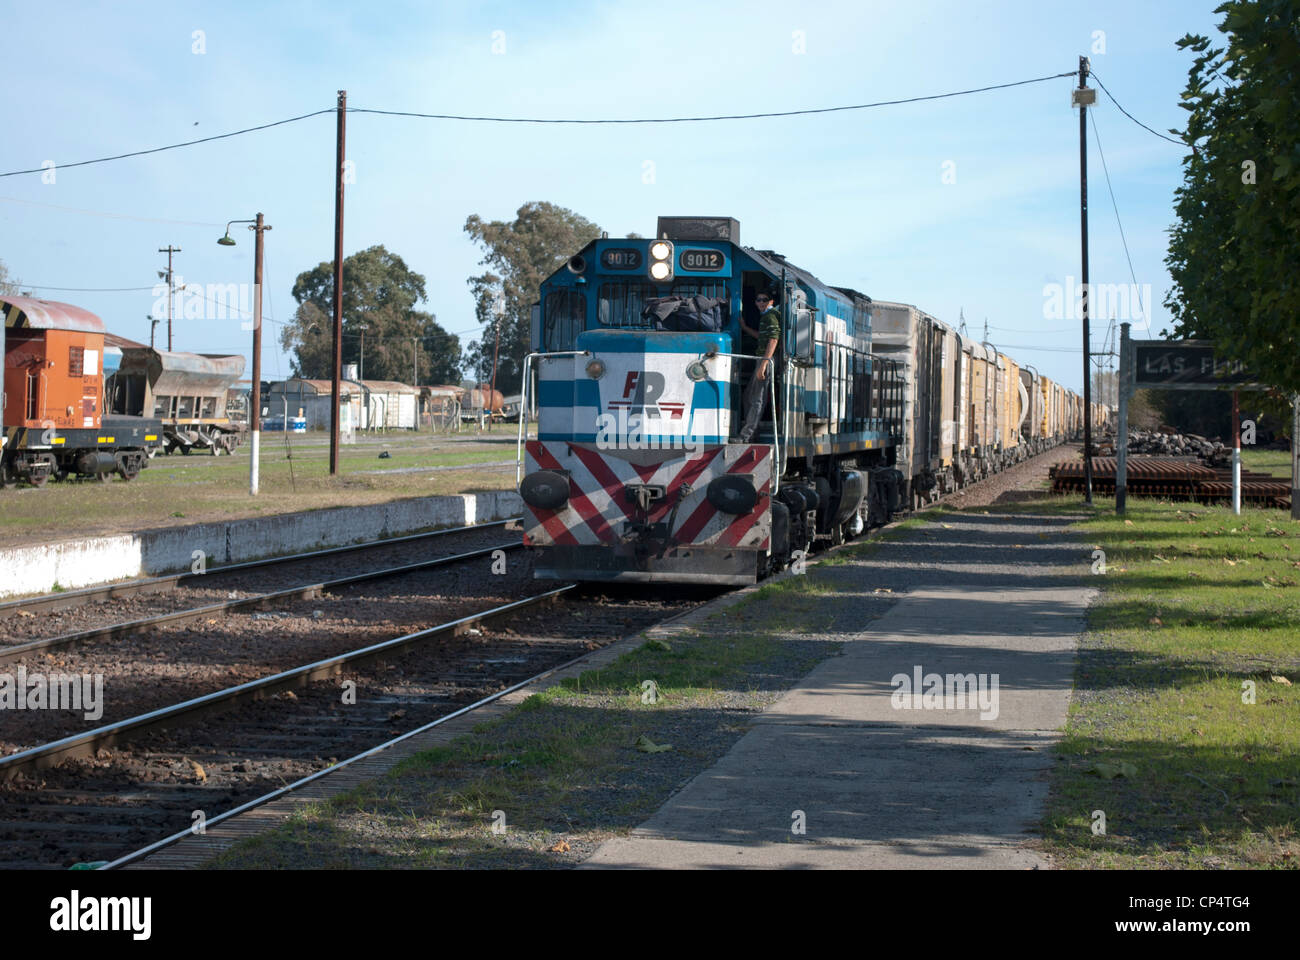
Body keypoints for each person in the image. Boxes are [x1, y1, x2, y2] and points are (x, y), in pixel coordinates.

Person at [737, 291, 780, 442]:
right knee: (748, 396)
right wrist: (744, 327)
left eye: (764, 300)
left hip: (765, 359)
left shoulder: (771, 316)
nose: (761, 302)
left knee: (756, 398)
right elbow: (762, 336)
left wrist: (764, 364)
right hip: (762, 359)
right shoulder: (766, 317)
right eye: (758, 300)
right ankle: (752, 432)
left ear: (771, 301)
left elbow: (773, 340)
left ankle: (746, 436)